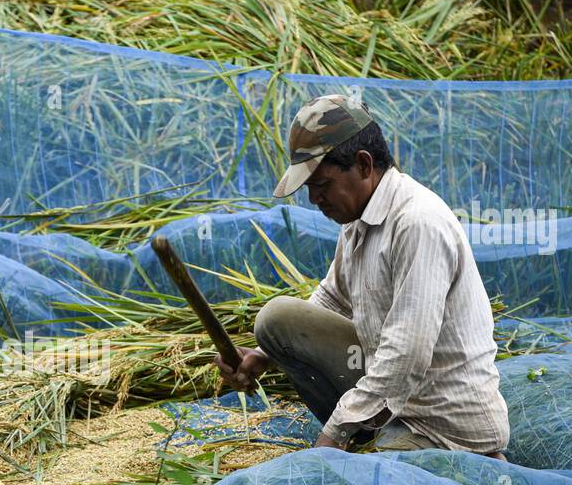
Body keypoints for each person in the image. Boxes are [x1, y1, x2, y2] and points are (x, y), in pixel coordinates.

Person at [216, 94, 509, 460]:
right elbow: (332, 297)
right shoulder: (358, 217)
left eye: (321, 185)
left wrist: (334, 432)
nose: (314, 199)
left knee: (377, 473)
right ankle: (367, 430)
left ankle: (471, 458)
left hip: (443, 422)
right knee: (277, 321)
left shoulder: (417, 223)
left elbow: (406, 353)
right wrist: (263, 355)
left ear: (364, 164)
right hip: (395, 396)